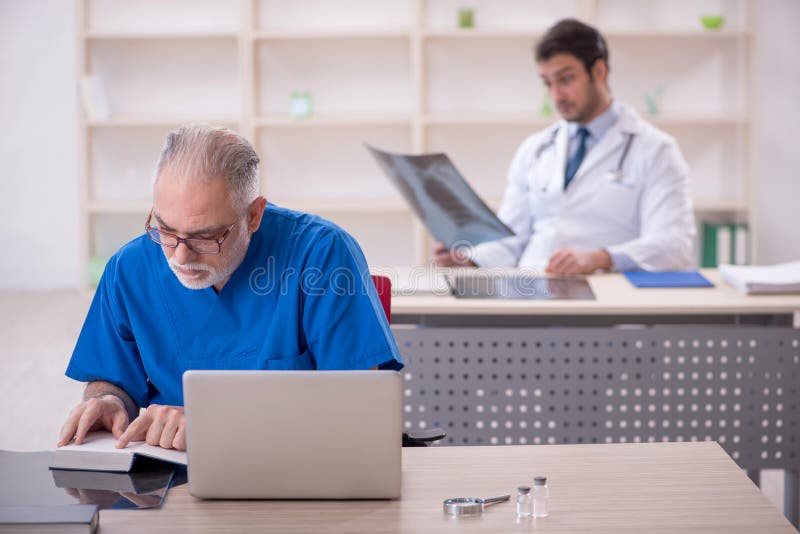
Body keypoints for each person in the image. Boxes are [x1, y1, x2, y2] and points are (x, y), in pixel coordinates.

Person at [58, 124, 403, 451]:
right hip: (166, 477)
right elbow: (110, 379)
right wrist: (106, 401)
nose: (180, 255)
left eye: (206, 236)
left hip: (298, 475)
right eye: (164, 229)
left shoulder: (322, 255)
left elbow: (357, 412)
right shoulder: (129, 269)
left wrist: (213, 425)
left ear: (254, 215)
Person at [434, 18, 695, 274]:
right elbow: (511, 239)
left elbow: (673, 244)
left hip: (605, 298)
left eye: (566, 79)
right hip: (530, 293)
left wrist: (602, 258)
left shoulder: (656, 150)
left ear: (599, 72)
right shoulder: (535, 148)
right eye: (548, 83)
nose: (557, 95)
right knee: (434, 317)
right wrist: (470, 259)